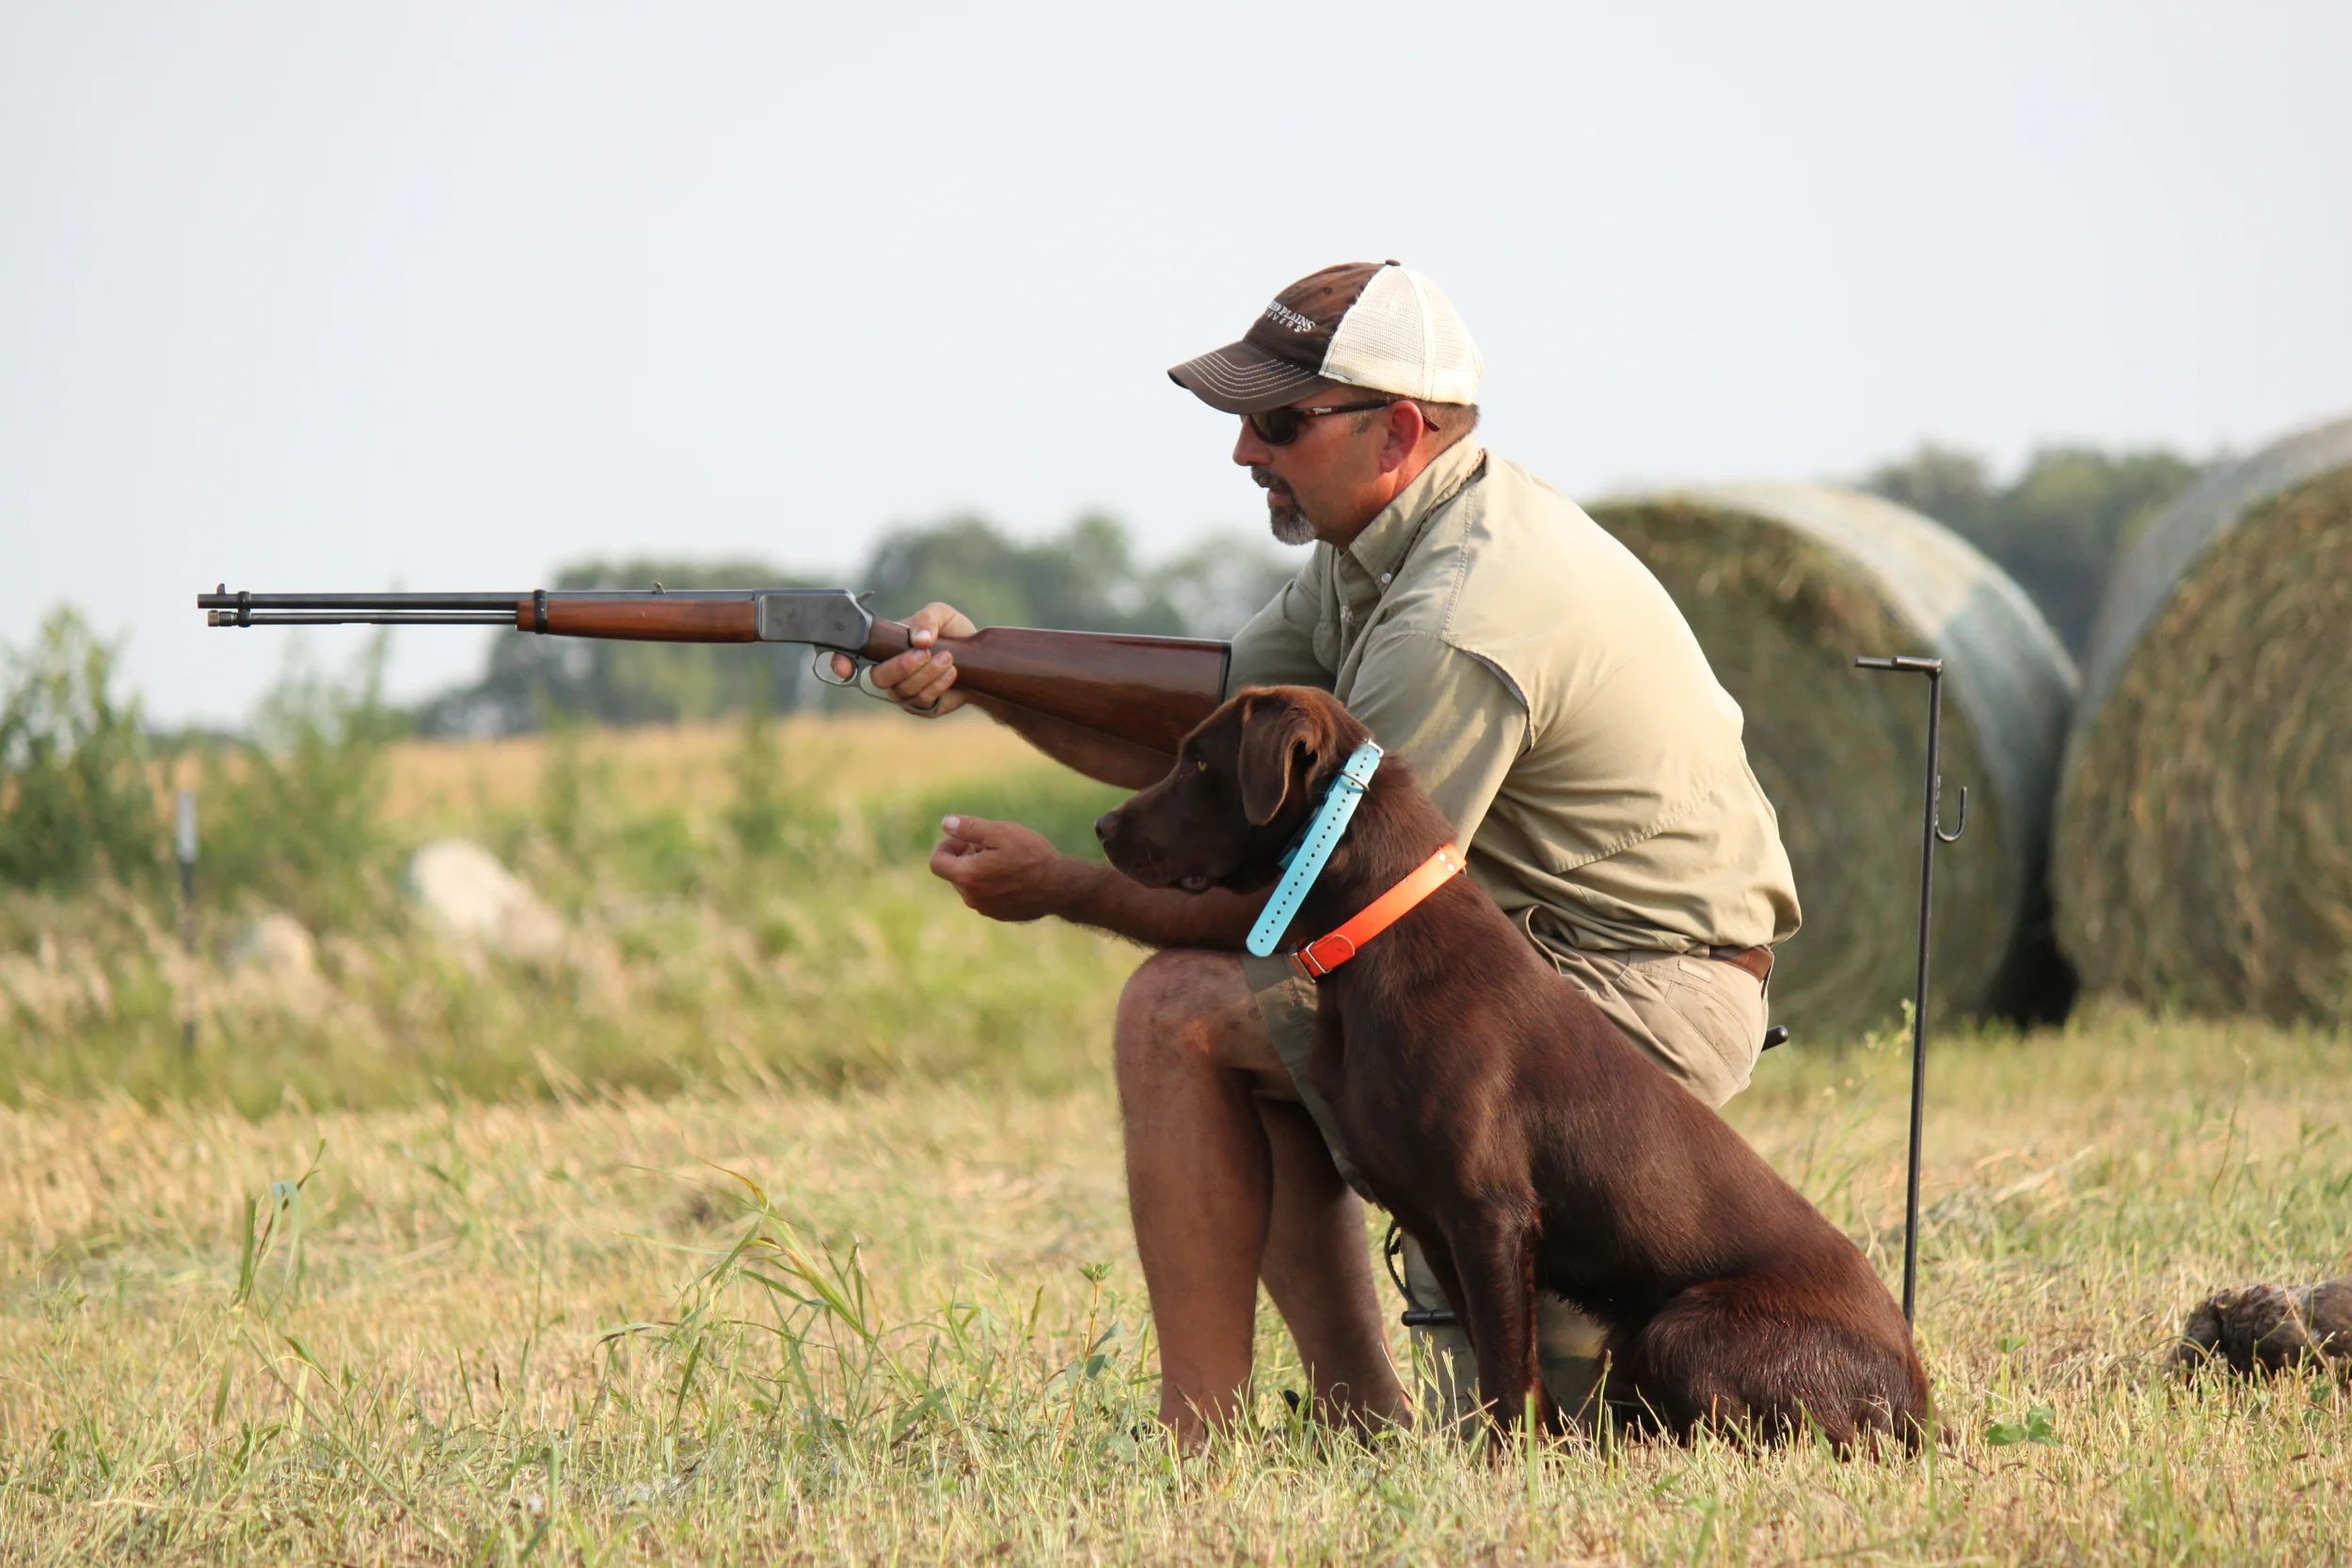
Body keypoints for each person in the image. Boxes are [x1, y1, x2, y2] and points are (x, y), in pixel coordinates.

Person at [835, 261, 1800, 1444]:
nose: (1244, 450)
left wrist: (1060, 888)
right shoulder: (1380, 544)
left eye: (1279, 421)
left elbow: (1309, 895)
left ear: (1397, 429)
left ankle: (1208, 1443)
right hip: (1527, 972)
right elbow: (1208, 748)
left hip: (1634, 991)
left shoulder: (1458, 614)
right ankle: (1353, 1416)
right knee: (1256, 1017)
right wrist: (978, 672)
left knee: (1181, 1010)